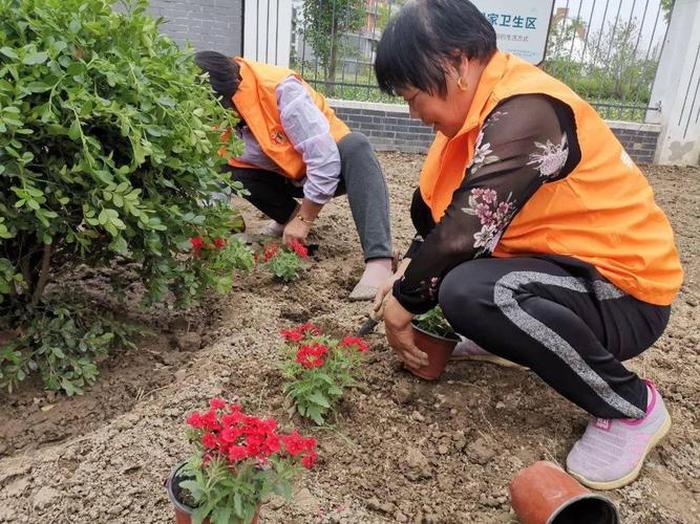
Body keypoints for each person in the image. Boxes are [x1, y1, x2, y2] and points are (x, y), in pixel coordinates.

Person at [373, 0, 683, 490]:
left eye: (413, 97)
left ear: (456, 63)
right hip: (567, 273)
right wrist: (409, 269)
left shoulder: (528, 109)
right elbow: (432, 215)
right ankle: (510, 335)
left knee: (471, 292)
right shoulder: (474, 117)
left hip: (625, 294)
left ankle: (631, 407)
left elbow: (468, 228)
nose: (413, 114)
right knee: (452, 282)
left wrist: (402, 303)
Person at [194, 51, 394, 300]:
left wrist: (305, 219)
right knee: (233, 171)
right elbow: (214, 176)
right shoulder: (216, 117)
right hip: (286, 175)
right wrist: (209, 230)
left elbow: (325, 160)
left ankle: (379, 261)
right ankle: (286, 219)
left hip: (332, 169)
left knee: (357, 146)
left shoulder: (280, 90)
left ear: (229, 98)